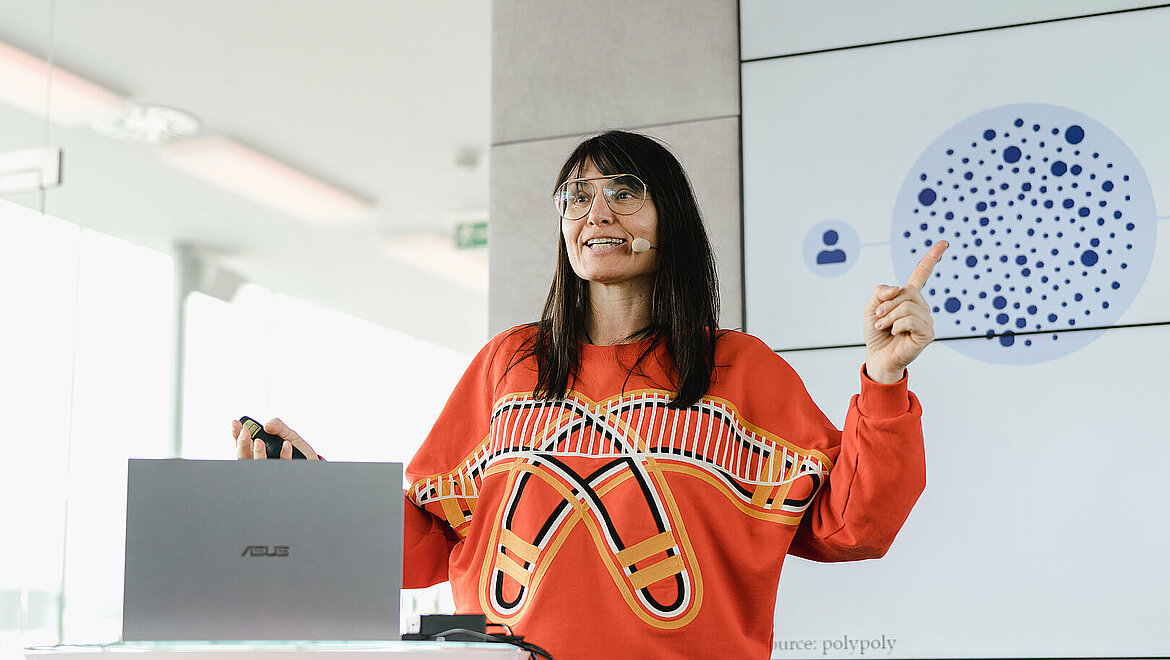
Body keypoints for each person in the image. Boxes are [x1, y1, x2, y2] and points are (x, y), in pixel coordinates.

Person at [233, 131, 947, 660]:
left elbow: (853, 525)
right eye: (577, 196)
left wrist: (883, 380)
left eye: (624, 192)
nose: (595, 211)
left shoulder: (740, 369)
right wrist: (311, 493)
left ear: (669, 220)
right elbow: (425, 550)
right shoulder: (508, 365)